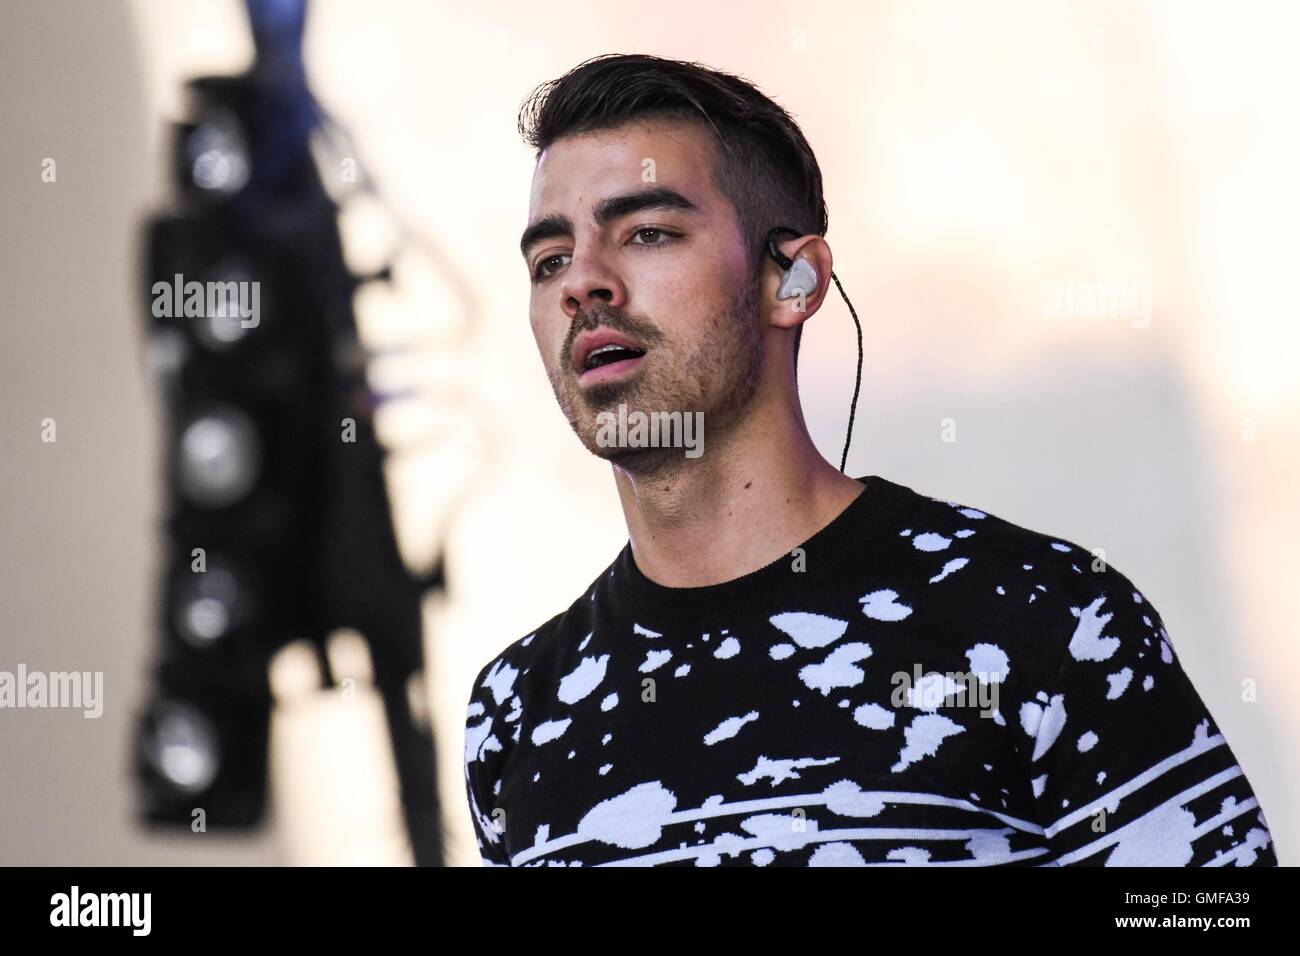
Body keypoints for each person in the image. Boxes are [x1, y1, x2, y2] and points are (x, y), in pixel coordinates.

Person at [463, 53, 1278, 867]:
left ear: (796, 280)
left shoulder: (1044, 621)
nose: (585, 285)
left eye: (647, 232)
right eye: (551, 261)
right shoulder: (514, 711)